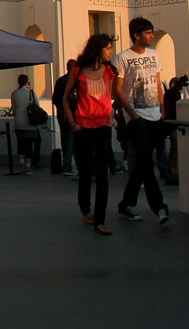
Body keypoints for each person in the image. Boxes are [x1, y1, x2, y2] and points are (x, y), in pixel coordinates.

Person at [112, 17, 170, 226]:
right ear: (137, 35)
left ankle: (126, 204)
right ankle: (160, 208)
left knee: (142, 164)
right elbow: (116, 90)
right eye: (148, 33)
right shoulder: (122, 58)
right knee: (146, 162)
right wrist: (132, 114)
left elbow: (157, 82)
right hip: (136, 117)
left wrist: (162, 108)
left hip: (155, 114)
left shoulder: (155, 56)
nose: (152, 36)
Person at [63, 33, 117, 235]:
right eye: (108, 48)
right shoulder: (78, 70)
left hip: (103, 127)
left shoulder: (110, 71)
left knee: (102, 174)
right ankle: (85, 210)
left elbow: (110, 96)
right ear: (98, 49)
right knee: (86, 172)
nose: (111, 52)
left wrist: (110, 117)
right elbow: (65, 98)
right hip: (83, 127)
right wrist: (72, 122)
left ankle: (100, 220)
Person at [52, 59, 78, 176]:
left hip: (61, 114)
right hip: (74, 115)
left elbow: (55, 99)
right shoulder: (76, 81)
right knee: (74, 141)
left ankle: (66, 166)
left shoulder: (60, 81)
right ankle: (70, 167)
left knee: (65, 139)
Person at [10, 74, 40, 174]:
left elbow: (14, 110)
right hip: (29, 124)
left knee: (21, 145)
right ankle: (28, 166)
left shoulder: (14, 93)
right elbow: (37, 106)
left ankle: (22, 165)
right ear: (27, 82)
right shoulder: (31, 93)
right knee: (29, 146)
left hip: (18, 123)